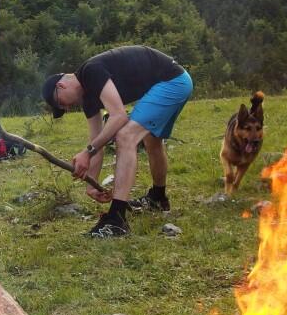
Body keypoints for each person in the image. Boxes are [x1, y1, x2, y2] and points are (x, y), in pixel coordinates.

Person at [42, 46, 193, 237]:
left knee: (125, 136)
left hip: (172, 81)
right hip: (173, 83)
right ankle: (157, 198)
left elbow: (119, 116)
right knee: (151, 140)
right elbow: (95, 141)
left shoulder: (90, 71)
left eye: (61, 103)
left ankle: (116, 220)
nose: (67, 107)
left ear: (61, 86)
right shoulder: (88, 99)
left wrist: (87, 152)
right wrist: (91, 183)